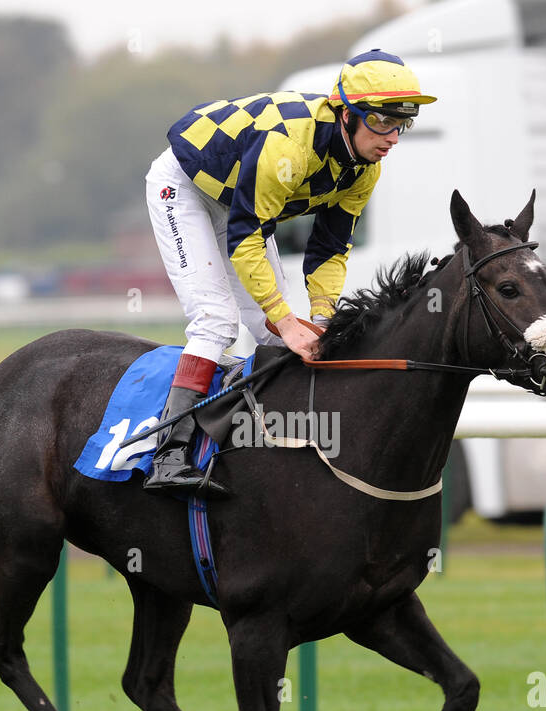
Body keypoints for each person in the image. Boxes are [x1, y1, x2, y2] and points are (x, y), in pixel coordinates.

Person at [142, 49, 435, 497]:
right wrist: (283, 318)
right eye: (381, 122)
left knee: (280, 335)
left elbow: (330, 248)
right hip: (184, 186)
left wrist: (320, 320)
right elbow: (246, 238)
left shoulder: (365, 169)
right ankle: (168, 453)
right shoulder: (289, 147)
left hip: (237, 203)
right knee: (217, 320)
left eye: (402, 123)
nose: (392, 137)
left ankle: (271, 449)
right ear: (346, 114)